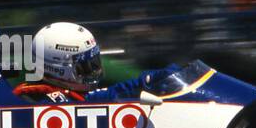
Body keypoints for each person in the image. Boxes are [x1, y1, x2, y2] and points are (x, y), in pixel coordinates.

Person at [14, 22, 176, 103]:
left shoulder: (72, 95)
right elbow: (109, 96)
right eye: (84, 67)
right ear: (58, 69)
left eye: (94, 63)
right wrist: (148, 82)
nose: (93, 71)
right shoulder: (53, 103)